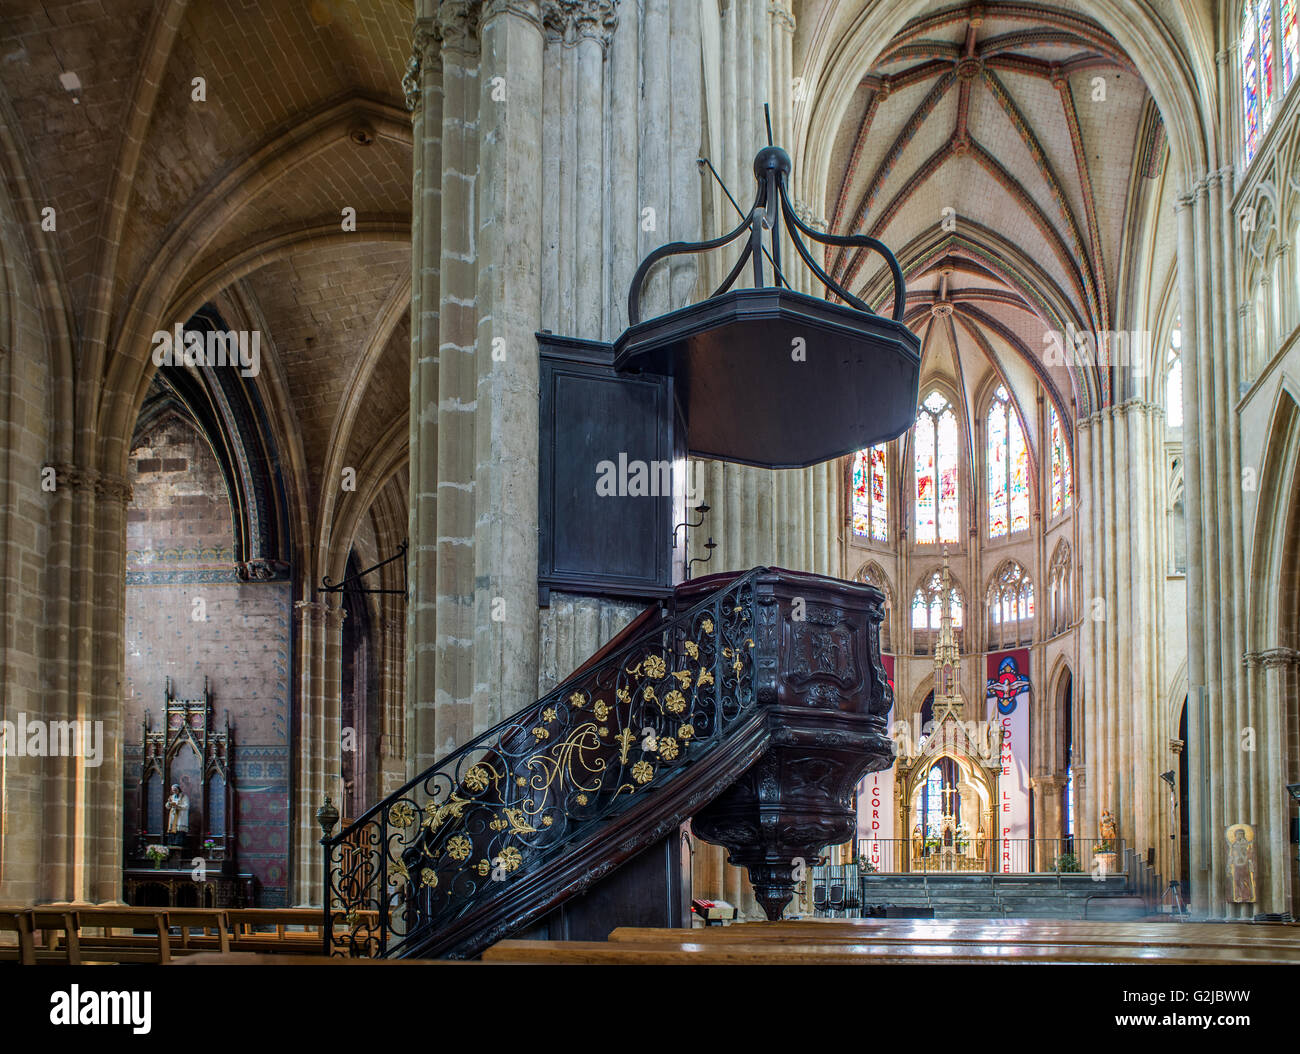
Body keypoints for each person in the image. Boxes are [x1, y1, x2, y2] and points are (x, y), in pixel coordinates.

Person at [165, 782, 190, 847]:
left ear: (178, 789)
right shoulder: (172, 797)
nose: (174, 791)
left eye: (175, 790)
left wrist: (178, 806)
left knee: (179, 830)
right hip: (173, 815)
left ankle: (179, 843)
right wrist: (169, 803)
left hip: (180, 816)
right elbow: (167, 806)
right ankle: (172, 842)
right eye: (173, 790)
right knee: (172, 829)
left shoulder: (184, 796)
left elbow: (186, 806)